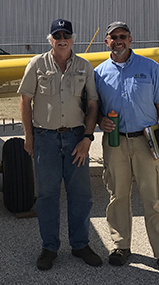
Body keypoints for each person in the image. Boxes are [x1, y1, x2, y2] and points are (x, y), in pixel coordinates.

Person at [94, 21, 159, 279]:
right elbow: (93, 107)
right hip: (115, 143)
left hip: (147, 142)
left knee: (154, 199)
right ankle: (121, 247)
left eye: (123, 36)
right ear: (106, 42)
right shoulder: (98, 73)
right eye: (113, 37)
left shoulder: (150, 68)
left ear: (131, 40)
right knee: (117, 196)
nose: (118, 41)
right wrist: (101, 120)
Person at [18, 18, 102, 271]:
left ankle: (80, 245)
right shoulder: (37, 64)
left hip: (76, 138)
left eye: (66, 34)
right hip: (45, 138)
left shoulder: (84, 66)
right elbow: (25, 101)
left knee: (81, 195)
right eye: (57, 35)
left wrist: (87, 138)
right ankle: (49, 247)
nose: (62, 38)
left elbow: (92, 105)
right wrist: (29, 137)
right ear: (51, 39)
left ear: (73, 39)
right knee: (47, 195)